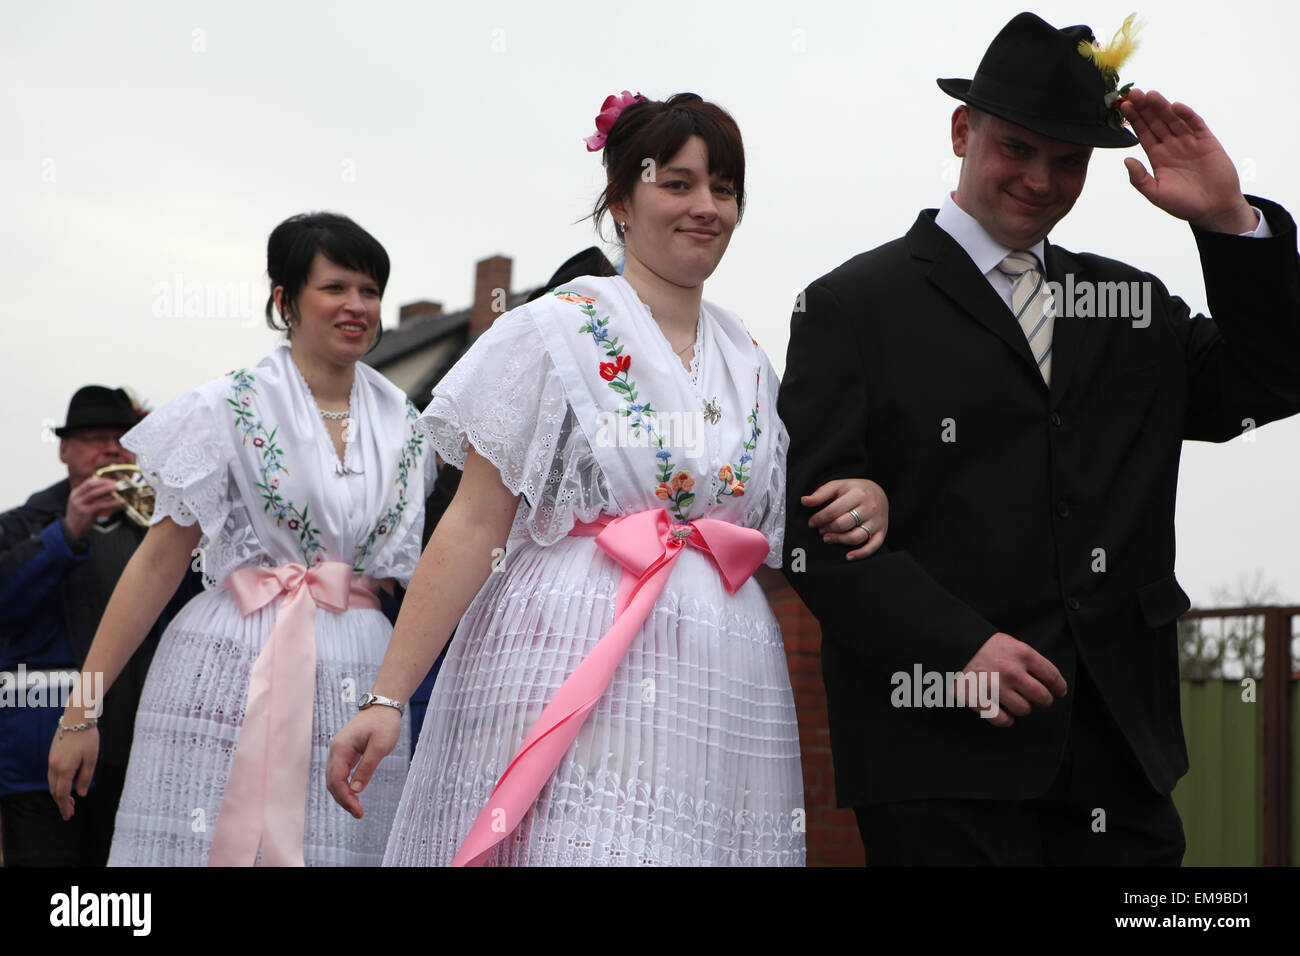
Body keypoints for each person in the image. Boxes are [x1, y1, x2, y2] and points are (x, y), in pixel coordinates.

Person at [780, 11, 1300, 866]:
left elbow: (1268, 382)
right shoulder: (851, 307)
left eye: (1068, 161)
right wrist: (958, 650)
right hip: (938, 763)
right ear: (962, 131)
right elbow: (817, 540)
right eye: (1016, 148)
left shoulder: (1131, 306)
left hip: (1120, 759)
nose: (1040, 179)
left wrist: (1229, 220)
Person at [327, 92, 887, 866]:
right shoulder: (551, 330)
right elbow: (473, 522)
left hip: (716, 683)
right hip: (562, 650)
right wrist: (388, 698)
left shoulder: (750, 359)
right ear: (622, 199)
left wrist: (864, 493)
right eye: (679, 183)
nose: (707, 207)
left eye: (724, 189)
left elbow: (775, 514)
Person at [48, 212, 435, 866]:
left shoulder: (409, 424)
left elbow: (413, 581)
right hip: (227, 664)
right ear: (284, 300)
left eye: (370, 291)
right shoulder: (224, 408)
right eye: (335, 288)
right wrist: (80, 712)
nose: (357, 306)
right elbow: (157, 565)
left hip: (357, 677)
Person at [0, 386, 200, 865]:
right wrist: (65, 534)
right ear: (65, 450)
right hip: (38, 758)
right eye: (93, 438)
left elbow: (197, 611)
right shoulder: (21, 526)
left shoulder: (160, 529)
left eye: (122, 438)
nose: (111, 449)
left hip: (138, 752)